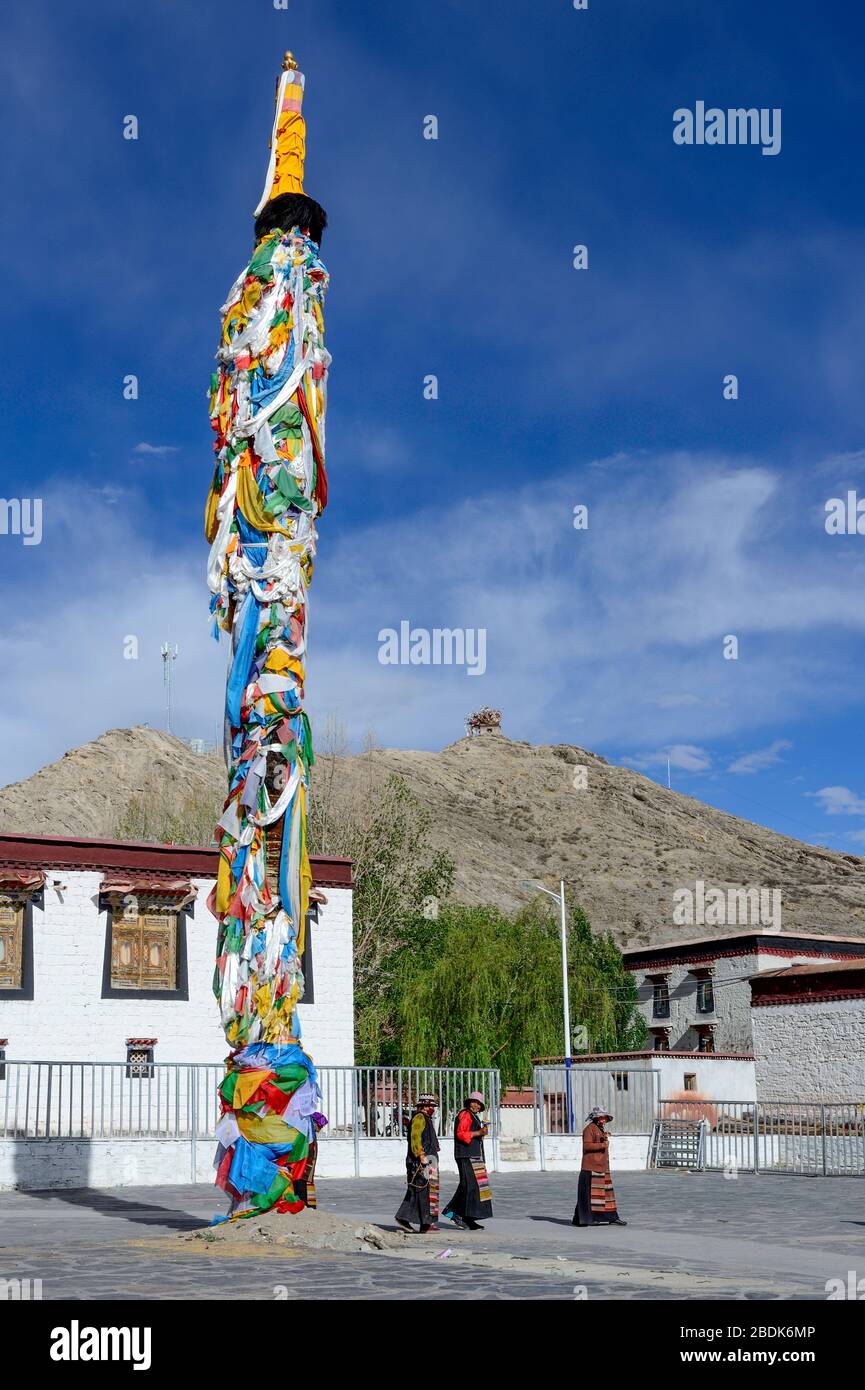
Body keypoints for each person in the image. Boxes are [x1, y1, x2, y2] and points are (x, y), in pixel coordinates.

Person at [443, 1091, 493, 1231]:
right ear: (468, 1103)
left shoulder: (474, 1117)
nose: (476, 1105)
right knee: (469, 1186)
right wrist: (478, 1133)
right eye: (474, 1102)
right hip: (466, 1155)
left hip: (474, 1156)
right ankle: (452, 1212)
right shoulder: (464, 1114)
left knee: (476, 1187)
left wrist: (481, 1134)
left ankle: (469, 1218)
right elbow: (461, 1134)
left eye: (479, 1103)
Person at [572, 1106, 627, 1227]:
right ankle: (583, 1219)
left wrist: (604, 1138)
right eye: (602, 1118)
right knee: (587, 1195)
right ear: (596, 1118)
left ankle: (612, 1217)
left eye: (605, 1118)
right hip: (591, 1167)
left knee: (607, 1194)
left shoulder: (600, 1129)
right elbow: (587, 1147)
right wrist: (602, 1145)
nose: (604, 1120)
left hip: (602, 1167)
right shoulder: (589, 1129)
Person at [395, 1094, 441, 1233]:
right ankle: (419, 1222)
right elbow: (415, 1137)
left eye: (431, 1106)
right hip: (421, 1161)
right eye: (428, 1106)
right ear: (422, 1106)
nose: (430, 1109)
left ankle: (423, 1223)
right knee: (421, 1191)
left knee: (425, 1191)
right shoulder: (420, 1118)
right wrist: (421, 1155)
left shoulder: (426, 1119)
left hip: (429, 1160)